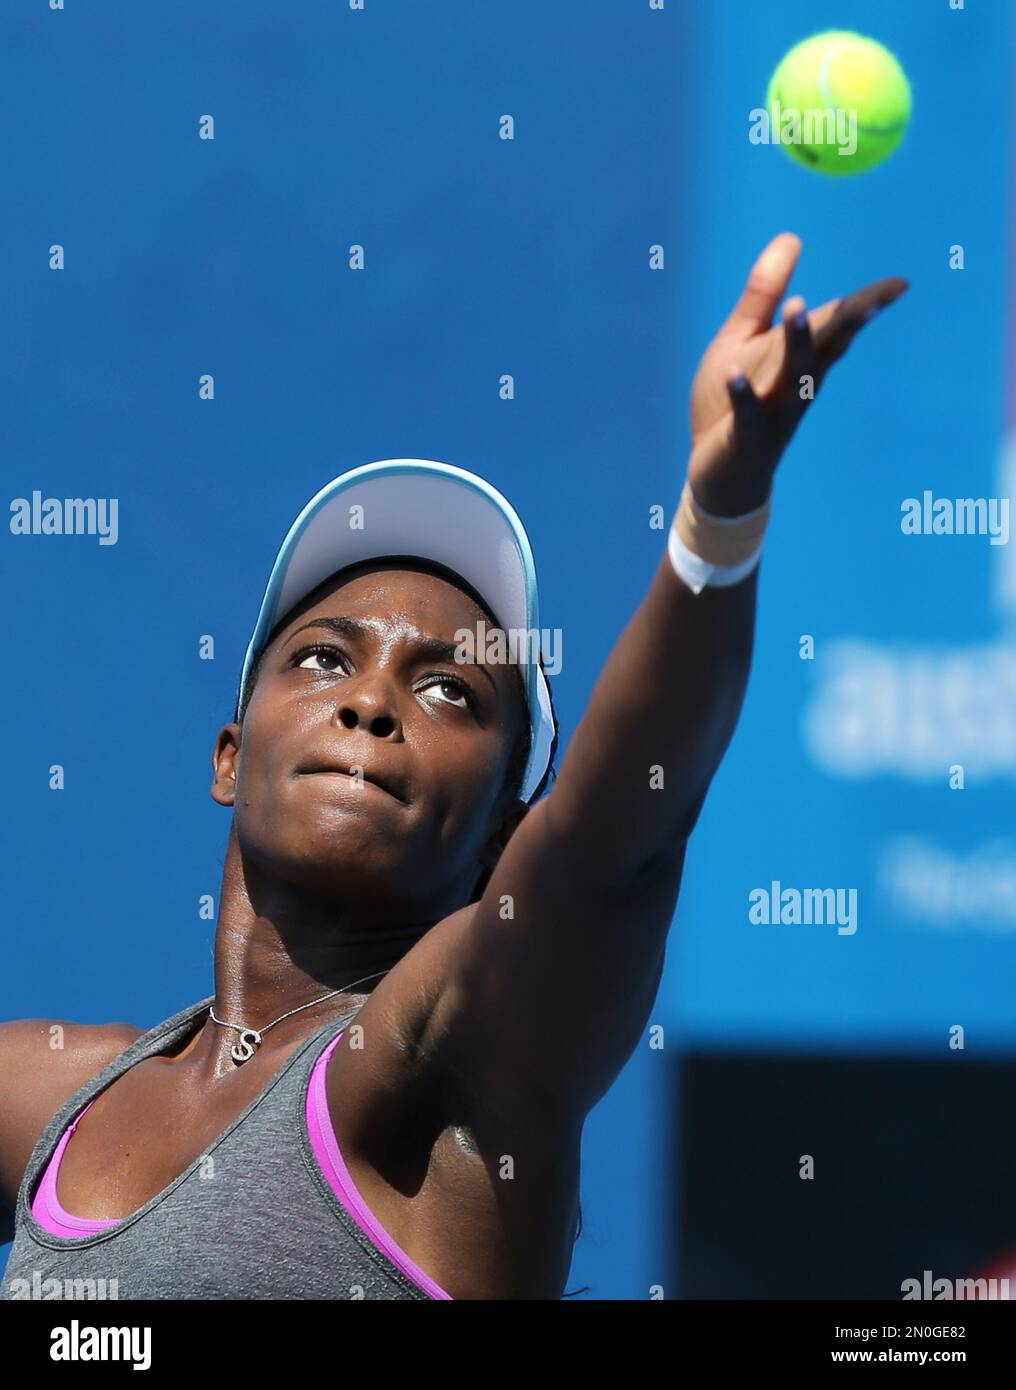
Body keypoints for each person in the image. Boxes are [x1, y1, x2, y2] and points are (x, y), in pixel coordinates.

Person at [0, 233, 907, 1300]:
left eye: (449, 692)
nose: (370, 698)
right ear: (230, 756)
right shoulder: (51, 1092)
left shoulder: (451, 1057)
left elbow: (611, 841)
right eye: (324, 656)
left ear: (499, 837)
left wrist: (718, 522)